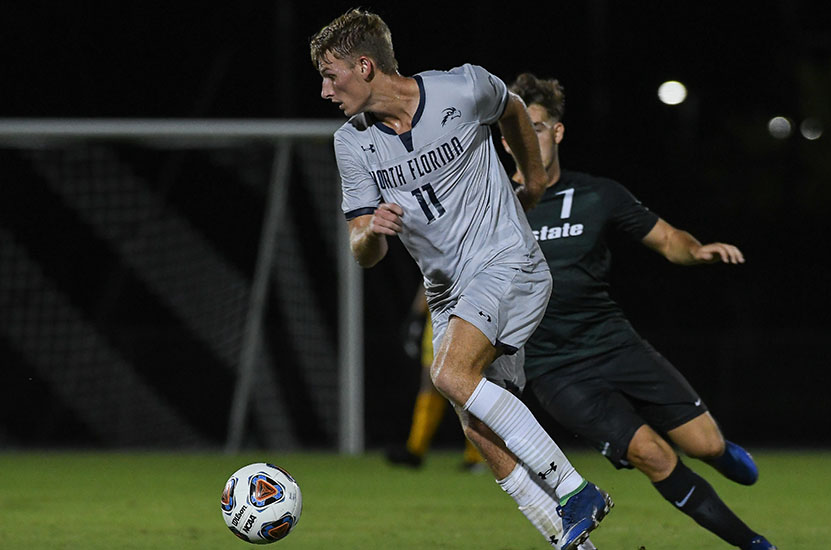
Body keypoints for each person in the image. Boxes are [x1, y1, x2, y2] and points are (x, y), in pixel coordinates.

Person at [310, 11, 611, 549]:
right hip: (447, 292)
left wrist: (534, 179)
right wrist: (373, 232)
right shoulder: (351, 144)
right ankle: (577, 544)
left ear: (365, 65)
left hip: (507, 261)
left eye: (333, 76)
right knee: (477, 426)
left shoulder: (463, 86)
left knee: (448, 374)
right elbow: (363, 249)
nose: (326, 89)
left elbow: (513, 111)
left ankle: (574, 489)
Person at [495, 73, 777, 550]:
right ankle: (753, 544)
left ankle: (720, 452)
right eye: (519, 131)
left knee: (705, 445)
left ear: (558, 131)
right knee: (655, 456)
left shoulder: (596, 194)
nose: (530, 139)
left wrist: (698, 250)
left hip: (616, 345)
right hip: (555, 371)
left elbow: (668, 240)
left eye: (538, 127)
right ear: (506, 143)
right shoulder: (494, 207)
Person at [387, 285, 485, 471]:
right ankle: (415, 449)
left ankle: (478, 455)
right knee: (429, 381)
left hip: (470, 312)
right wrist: (416, 314)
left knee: (468, 380)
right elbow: (428, 275)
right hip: (438, 314)